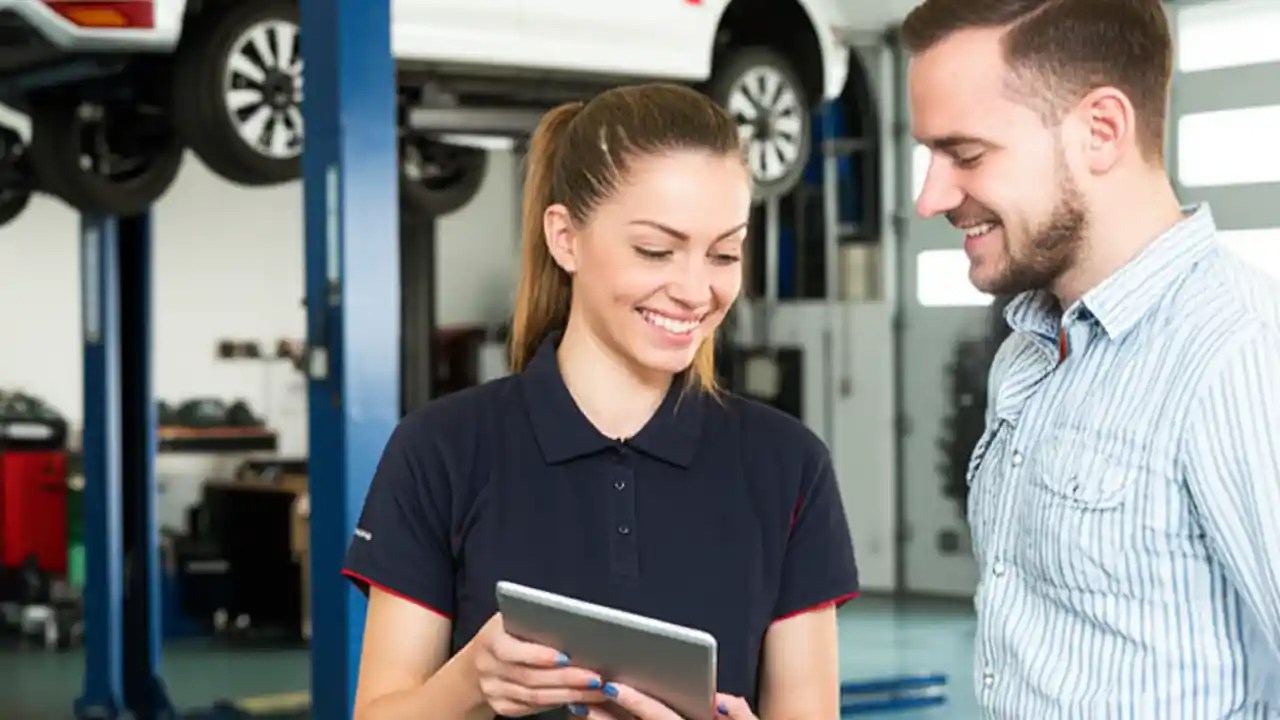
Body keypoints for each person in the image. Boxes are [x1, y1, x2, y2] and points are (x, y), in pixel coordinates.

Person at [340, 82, 860, 720]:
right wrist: (470, 685)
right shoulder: (441, 450)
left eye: (724, 253)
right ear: (565, 238)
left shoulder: (789, 467)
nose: (696, 290)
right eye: (655, 250)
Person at [902, 0, 1280, 716]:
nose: (931, 197)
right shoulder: (1029, 352)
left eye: (967, 154)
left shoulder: (1239, 357)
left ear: (1101, 131)